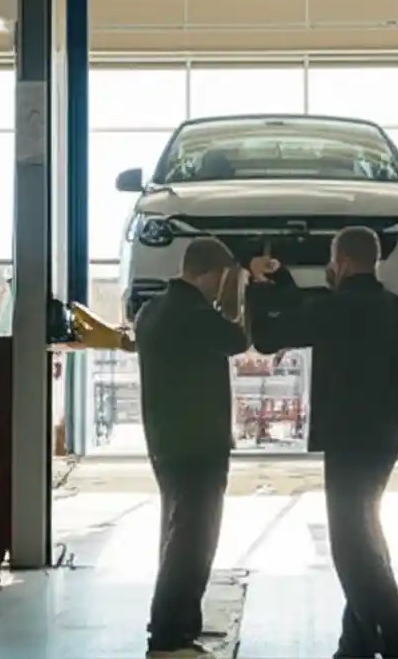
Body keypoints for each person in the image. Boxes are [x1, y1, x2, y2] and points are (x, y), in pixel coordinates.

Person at [247, 227, 398, 659]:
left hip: (347, 437)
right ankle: (354, 648)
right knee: (365, 537)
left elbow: (269, 337)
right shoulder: (397, 310)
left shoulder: (334, 308)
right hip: (385, 436)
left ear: (340, 261)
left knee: (352, 552)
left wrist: (257, 289)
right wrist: (285, 283)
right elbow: (313, 310)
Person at [134, 237, 248, 658]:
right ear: (211, 273)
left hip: (166, 438)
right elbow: (237, 339)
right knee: (193, 539)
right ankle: (169, 634)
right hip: (198, 442)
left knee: (179, 533)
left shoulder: (153, 309)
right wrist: (239, 293)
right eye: (222, 277)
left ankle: (177, 626)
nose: (222, 286)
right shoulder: (194, 313)